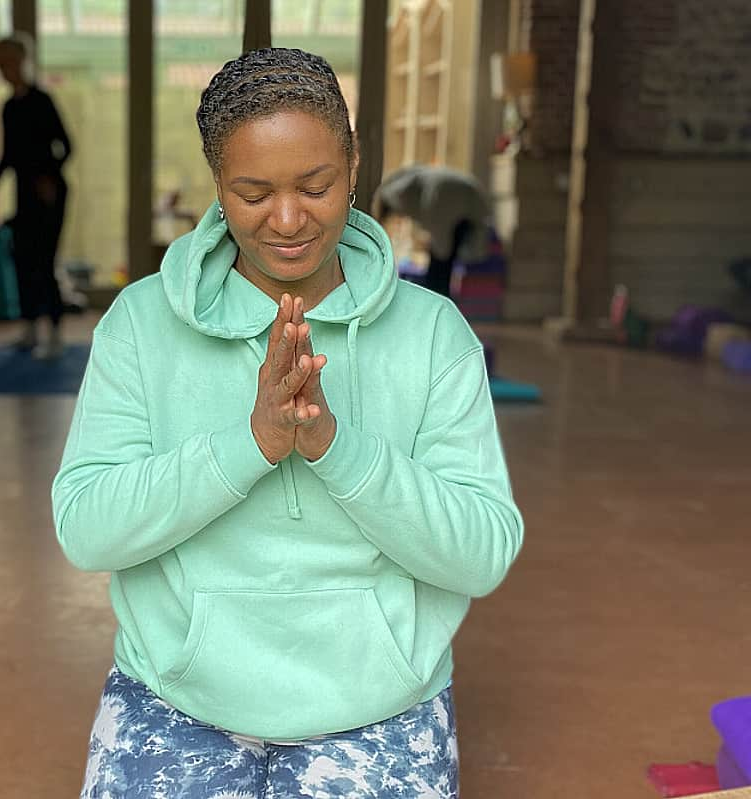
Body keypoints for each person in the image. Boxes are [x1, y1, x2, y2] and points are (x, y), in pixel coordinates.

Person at [52, 48, 523, 798]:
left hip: (381, 706)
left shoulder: (434, 333)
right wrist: (251, 445)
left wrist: (338, 449)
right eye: (252, 192)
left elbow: (482, 553)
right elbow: (85, 529)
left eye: (316, 185)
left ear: (355, 162)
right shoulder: (139, 325)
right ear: (216, 185)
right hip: (176, 699)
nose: (288, 219)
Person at [0, 34, 72, 358]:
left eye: (8, 63)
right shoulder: (9, 108)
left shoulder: (42, 101)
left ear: (22, 62)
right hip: (24, 196)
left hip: (50, 195)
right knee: (23, 261)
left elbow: (66, 145)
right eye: (0, 66)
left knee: (45, 262)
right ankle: (31, 330)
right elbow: (7, 155)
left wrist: (48, 176)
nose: (5, 71)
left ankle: (56, 334)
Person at [372, 165, 492, 299]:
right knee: (445, 259)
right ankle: (441, 298)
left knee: (440, 260)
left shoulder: (393, 192)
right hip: (469, 196)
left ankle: (438, 298)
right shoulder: (411, 180)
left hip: (443, 197)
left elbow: (427, 220)